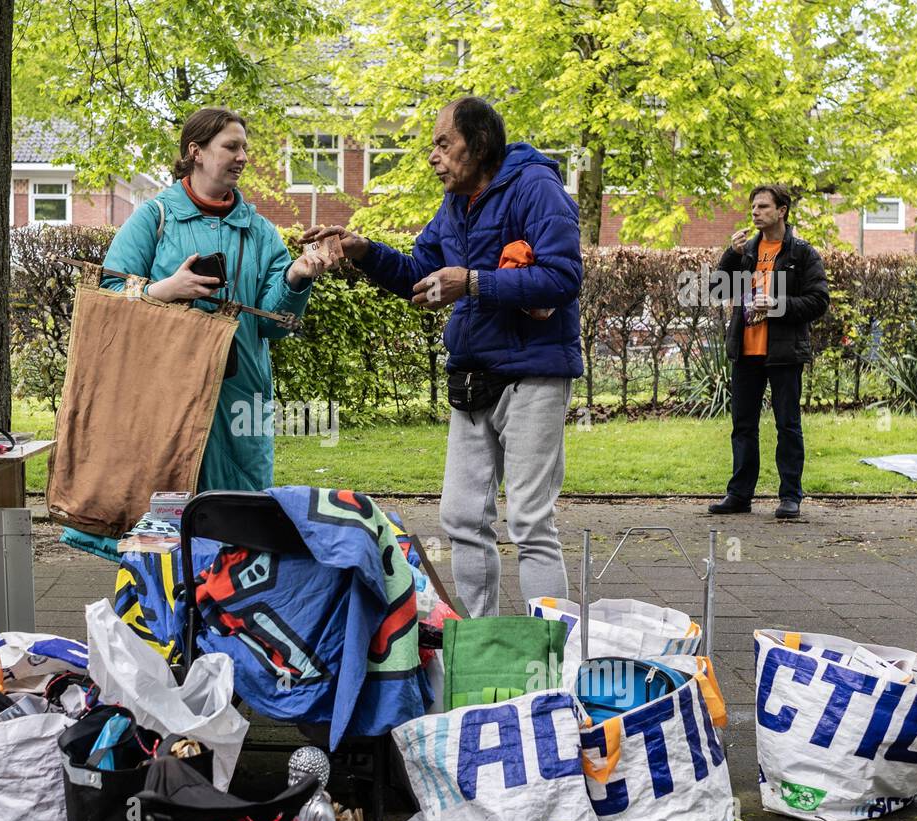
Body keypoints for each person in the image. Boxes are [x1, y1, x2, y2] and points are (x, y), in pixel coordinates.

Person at [303, 97, 583, 617]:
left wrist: (473, 281)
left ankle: (557, 648)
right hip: (473, 378)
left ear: (477, 146)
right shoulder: (455, 205)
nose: (433, 156)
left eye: (442, 143)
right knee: (459, 518)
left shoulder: (536, 187)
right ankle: (484, 639)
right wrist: (362, 250)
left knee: (528, 521)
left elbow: (565, 278)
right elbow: (419, 272)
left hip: (533, 374)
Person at [102, 107, 332, 492]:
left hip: (241, 398)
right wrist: (163, 290)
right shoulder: (155, 218)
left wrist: (295, 277)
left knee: (241, 520)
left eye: (244, 148)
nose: (243, 157)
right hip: (165, 393)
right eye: (231, 147)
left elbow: (272, 325)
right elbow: (108, 302)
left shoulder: (259, 232)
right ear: (196, 152)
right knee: (167, 518)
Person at [707, 185, 828, 520]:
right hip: (746, 351)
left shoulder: (801, 253)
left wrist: (777, 305)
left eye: (763, 206)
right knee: (743, 425)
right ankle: (739, 495)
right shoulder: (745, 251)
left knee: (787, 425)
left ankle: (790, 496)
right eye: (753, 207)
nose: (755, 212)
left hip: (784, 353)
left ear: (782, 210)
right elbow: (716, 291)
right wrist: (730, 255)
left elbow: (819, 301)